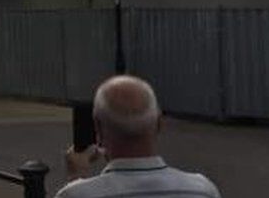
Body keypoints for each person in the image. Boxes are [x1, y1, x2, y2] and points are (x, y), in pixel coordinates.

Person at [55, 75, 221, 198]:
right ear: (159, 124)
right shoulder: (202, 190)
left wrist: (75, 178)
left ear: (98, 128)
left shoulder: (75, 194)